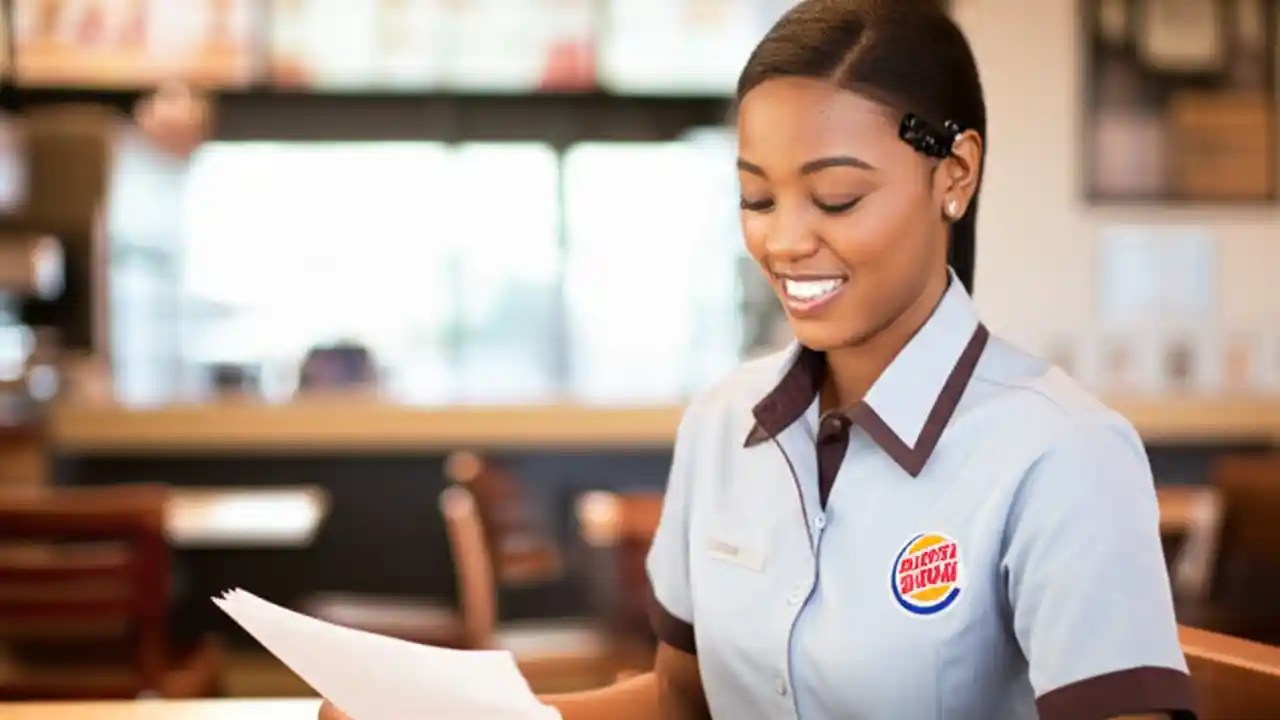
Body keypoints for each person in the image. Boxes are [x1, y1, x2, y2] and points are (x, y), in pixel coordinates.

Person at [321, 1, 1195, 718]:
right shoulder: (722, 424)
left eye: (836, 197)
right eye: (756, 198)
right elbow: (682, 703)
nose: (783, 242)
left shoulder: (1062, 454)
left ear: (954, 174)